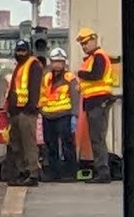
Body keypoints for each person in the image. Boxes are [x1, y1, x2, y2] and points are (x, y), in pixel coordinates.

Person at [75, 26, 117, 183]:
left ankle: (103, 171)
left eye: (86, 42)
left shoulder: (99, 57)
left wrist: (80, 74)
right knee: (96, 137)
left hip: (99, 100)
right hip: (94, 101)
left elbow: (96, 75)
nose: (84, 46)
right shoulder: (93, 58)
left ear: (94, 40)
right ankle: (101, 170)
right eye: (82, 44)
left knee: (97, 137)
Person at [4, 39, 44, 186]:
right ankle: (22, 172)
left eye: (23, 51)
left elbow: (34, 87)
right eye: (18, 50)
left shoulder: (33, 65)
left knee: (28, 143)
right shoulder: (19, 66)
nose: (20, 53)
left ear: (28, 51)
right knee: (17, 144)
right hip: (16, 111)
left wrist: (31, 107)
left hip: (26, 111)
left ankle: (32, 172)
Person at [39, 48, 80, 181]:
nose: (57, 64)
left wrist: (74, 115)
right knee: (50, 145)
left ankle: (69, 173)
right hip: (48, 115)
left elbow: (75, 96)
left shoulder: (70, 78)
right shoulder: (46, 77)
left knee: (67, 144)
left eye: (60, 62)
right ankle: (53, 172)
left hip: (64, 115)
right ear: (51, 62)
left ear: (64, 63)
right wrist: (40, 110)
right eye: (55, 62)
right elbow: (42, 94)